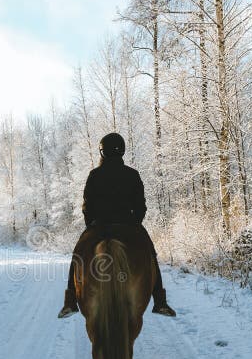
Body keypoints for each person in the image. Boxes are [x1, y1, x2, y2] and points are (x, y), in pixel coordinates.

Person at [58, 132, 176, 319]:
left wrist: (91, 225)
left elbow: (87, 206)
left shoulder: (94, 175)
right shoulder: (132, 174)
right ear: (122, 151)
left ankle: (70, 301)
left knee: (78, 254)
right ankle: (160, 301)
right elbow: (140, 206)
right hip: (128, 225)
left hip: (99, 226)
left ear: (102, 152)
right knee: (150, 255)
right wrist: (135, 225)